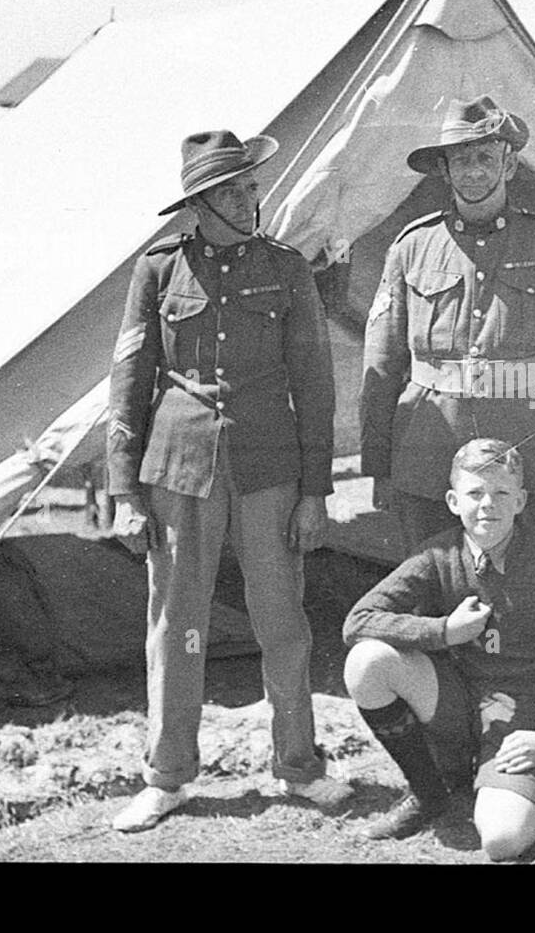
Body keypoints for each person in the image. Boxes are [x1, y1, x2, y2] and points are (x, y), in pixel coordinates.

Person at [106, 129, 352, 832]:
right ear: (201, 202)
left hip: (270, 468)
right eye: (235, 190)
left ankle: (299, 767)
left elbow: (315, 383)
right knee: (176, 626)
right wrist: (126, 492)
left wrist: (315, 489)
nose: (251, 199)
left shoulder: (287, 268)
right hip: (178, 469)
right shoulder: (157, 270)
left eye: (251, 186)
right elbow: (128, 382)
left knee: (283, 620)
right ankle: (168, 776)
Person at [342, 439, 535, 859]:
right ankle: (429, 791)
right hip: (453, 701)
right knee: (367, 663)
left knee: (501, 841)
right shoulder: (438, 553)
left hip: (520, 716)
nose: (488, 504)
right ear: (454, 501)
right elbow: (359, 621)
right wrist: (443, 631)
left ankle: (508, 783)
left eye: (502, 493)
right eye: (475, 493)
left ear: (521, 500)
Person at [360, 95, 535, 552]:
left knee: (522, 589)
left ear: (509, 166)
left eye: (486, 158)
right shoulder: (412, 247)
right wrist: (380, 466)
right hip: (427, 455)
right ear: (444, 171)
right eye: (461, 160)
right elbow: (382, 363)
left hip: (522, 449)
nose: (474, 171)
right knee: (435, 584)